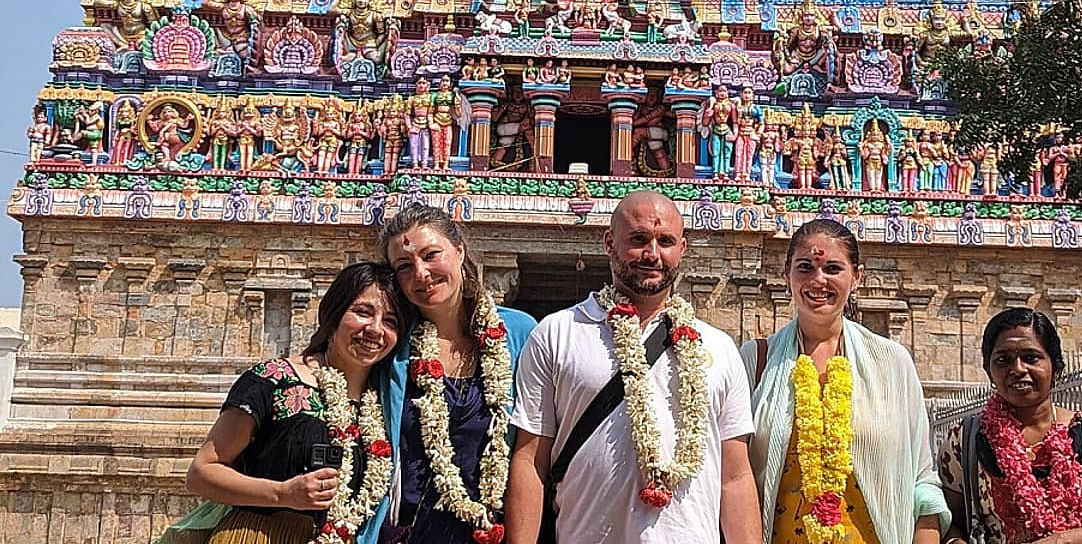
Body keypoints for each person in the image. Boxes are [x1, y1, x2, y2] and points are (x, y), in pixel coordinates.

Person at [506, 190, 761, 544]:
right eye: (639, 239)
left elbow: (735, 476)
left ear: (682, 249)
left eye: (666, 241)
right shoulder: (558, 333)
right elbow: (531, 460)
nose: (652, 254)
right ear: (610, 243)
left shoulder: (718, 347)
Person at [741, 219, 949, 544]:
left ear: (857, 276)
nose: (818, 280)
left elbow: (922, 482)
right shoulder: (755, 362)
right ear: (787, 274)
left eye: (833, 268)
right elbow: (732, 478)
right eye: (805, 267)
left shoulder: (892, 363)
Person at [172, 262, 402, 544]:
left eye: (390, 321)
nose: (376, 329)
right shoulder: (274, 380)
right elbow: (202, 473)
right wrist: (282, 493)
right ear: (334, 314)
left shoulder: (386, 405)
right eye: (363, 312)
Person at [359, 203, 536, 544]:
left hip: (489, 530)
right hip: (407, 530)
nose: (421, 273)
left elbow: (533, 450)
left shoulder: (518, 334)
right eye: (404, 267)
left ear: (459, 250)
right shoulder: (392, 344)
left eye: (431, 255)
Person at [937, 309, 1082, 544]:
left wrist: (1062, 541)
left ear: (1056, 368)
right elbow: (948, 523)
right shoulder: (965, 439)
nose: (1017, 369)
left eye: (1031, 357)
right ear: (989, 372)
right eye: (1003, 360)